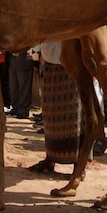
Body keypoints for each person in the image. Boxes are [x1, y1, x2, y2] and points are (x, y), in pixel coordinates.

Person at [28, 41, 83, 174]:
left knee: (74, 115)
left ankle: (79, 166)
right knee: (50, 114)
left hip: (71, 62)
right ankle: (50, 158)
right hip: (49, 61)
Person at [7, 49, 34, 119]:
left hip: (24, 57)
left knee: (24, 86)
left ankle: (23, 110)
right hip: (12, 58)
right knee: (13, 86)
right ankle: (15, 108)